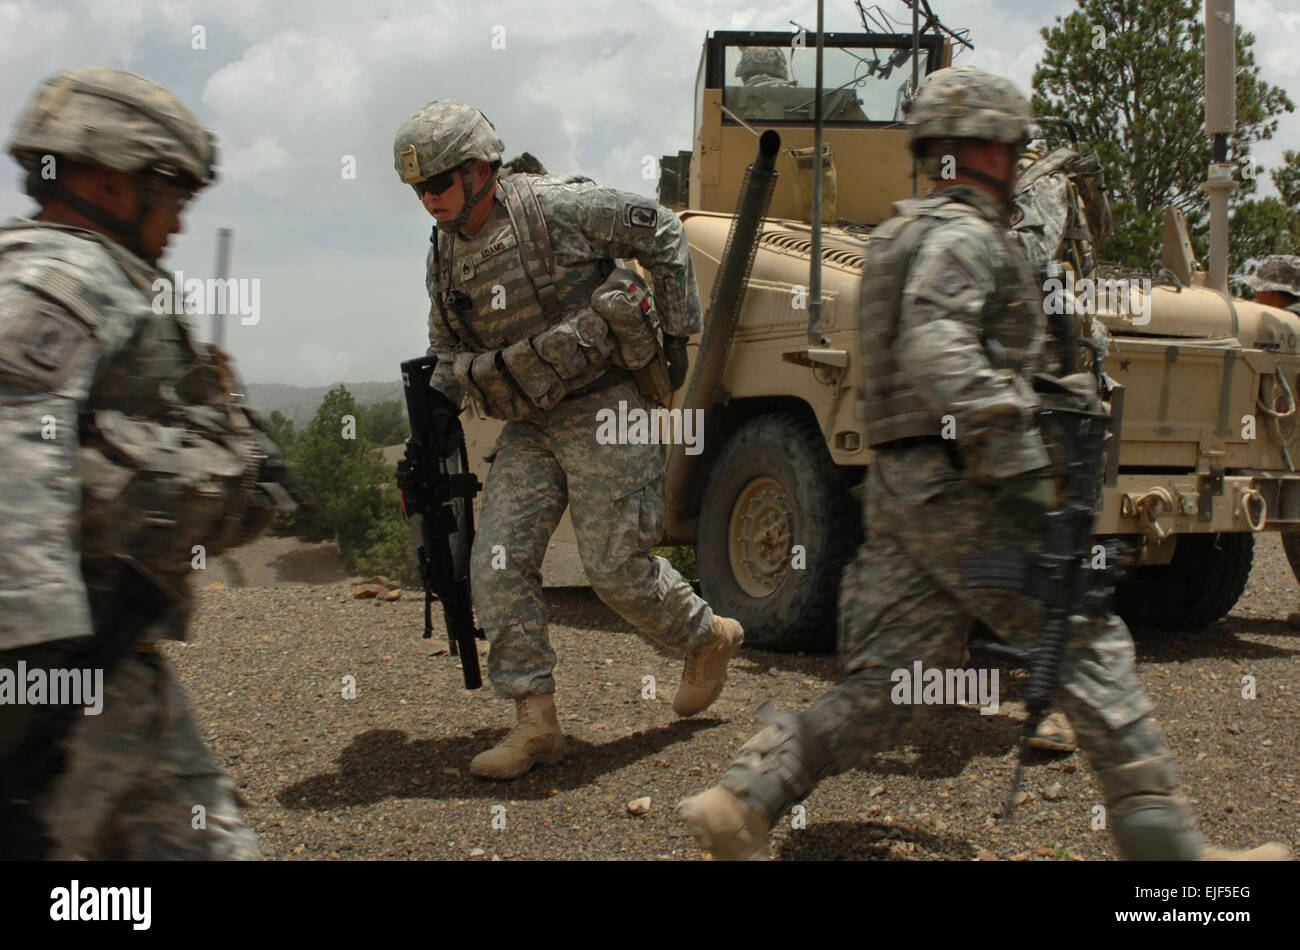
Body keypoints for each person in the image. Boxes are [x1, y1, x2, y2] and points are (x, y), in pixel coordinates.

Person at [677, 66, 1288, 862]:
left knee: (891, 685)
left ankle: (744, 799)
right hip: (967, 487)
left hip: (901, 493)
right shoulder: (967, 237)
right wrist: (1019, 457)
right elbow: (940, 345)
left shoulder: (894, 236)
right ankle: (1166, 850)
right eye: (1010, 146)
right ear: (990, 150)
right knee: (1084, 642)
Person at [393, 100, 744, 781]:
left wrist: (676, 342)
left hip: (605, 402)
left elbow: (663, 230)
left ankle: (708, 638)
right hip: (531, 422)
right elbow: (444, 345)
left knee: (615, 570)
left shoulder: (551, 207)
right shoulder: (442, 255)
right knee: (496, 562)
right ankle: (536, 726)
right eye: (419, 189)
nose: (429, 198)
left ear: (477, 169)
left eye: (439, 182)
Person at [0, 67, 288, 859]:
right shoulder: (59, 282)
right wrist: (33, 691)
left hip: (109, 666)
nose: (180, 224)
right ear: (107, 180)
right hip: (65, 681)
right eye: (173, 196)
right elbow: (14, 470)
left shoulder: (95, 276)